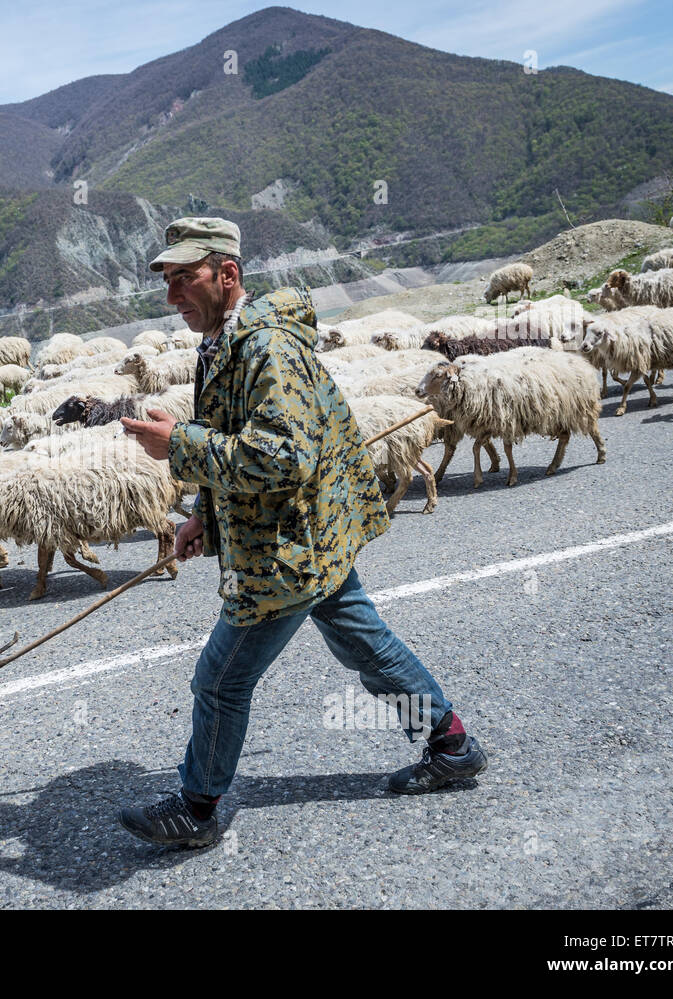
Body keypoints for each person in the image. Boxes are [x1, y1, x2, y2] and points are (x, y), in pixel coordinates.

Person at [117, 217, 487, 848]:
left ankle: (198, 808)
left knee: (221, 678)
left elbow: (283, 457)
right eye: (169, 281)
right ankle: (450, 744)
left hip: (286, 549)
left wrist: (179, 445)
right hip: (307, 536)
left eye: (185, 279)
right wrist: (205, 514)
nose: (173, 296)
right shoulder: (227, 344)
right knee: (364, 644)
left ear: (226, 274)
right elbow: (243, 438)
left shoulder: (267, 349)